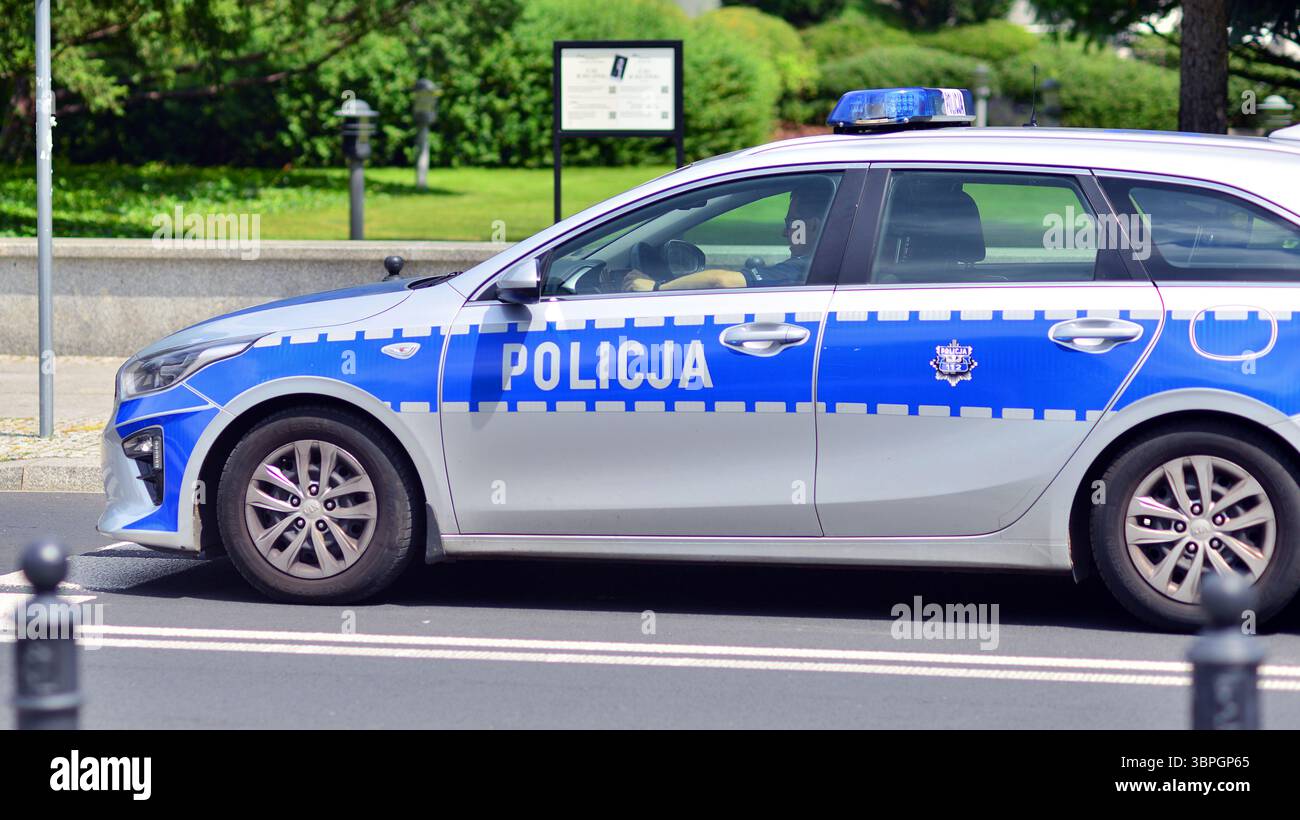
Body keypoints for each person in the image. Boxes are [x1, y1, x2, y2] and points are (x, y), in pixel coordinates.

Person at [621, 180, 834, 292]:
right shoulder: (826, 264)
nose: (784, 232)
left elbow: (721, 281)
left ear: (814, 226)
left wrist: (657, 287)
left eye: (791, 224)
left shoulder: (804, 269)